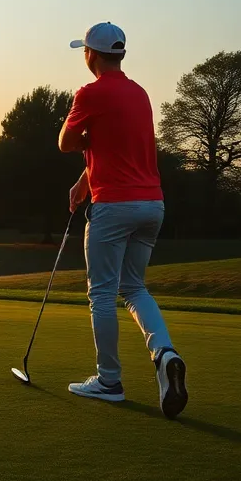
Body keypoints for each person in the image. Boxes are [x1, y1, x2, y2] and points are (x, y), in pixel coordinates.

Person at [58, 22, 187, 418]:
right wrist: (86, 180)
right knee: (134, 288)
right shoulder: (139, 94)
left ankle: (109, 381)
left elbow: (65, 142)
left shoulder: (90, 93)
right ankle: (164, 353)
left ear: (91, 55)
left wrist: (84, 144)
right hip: (152, 205)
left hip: (114, 207)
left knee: (101, 294)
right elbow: (121, 148)